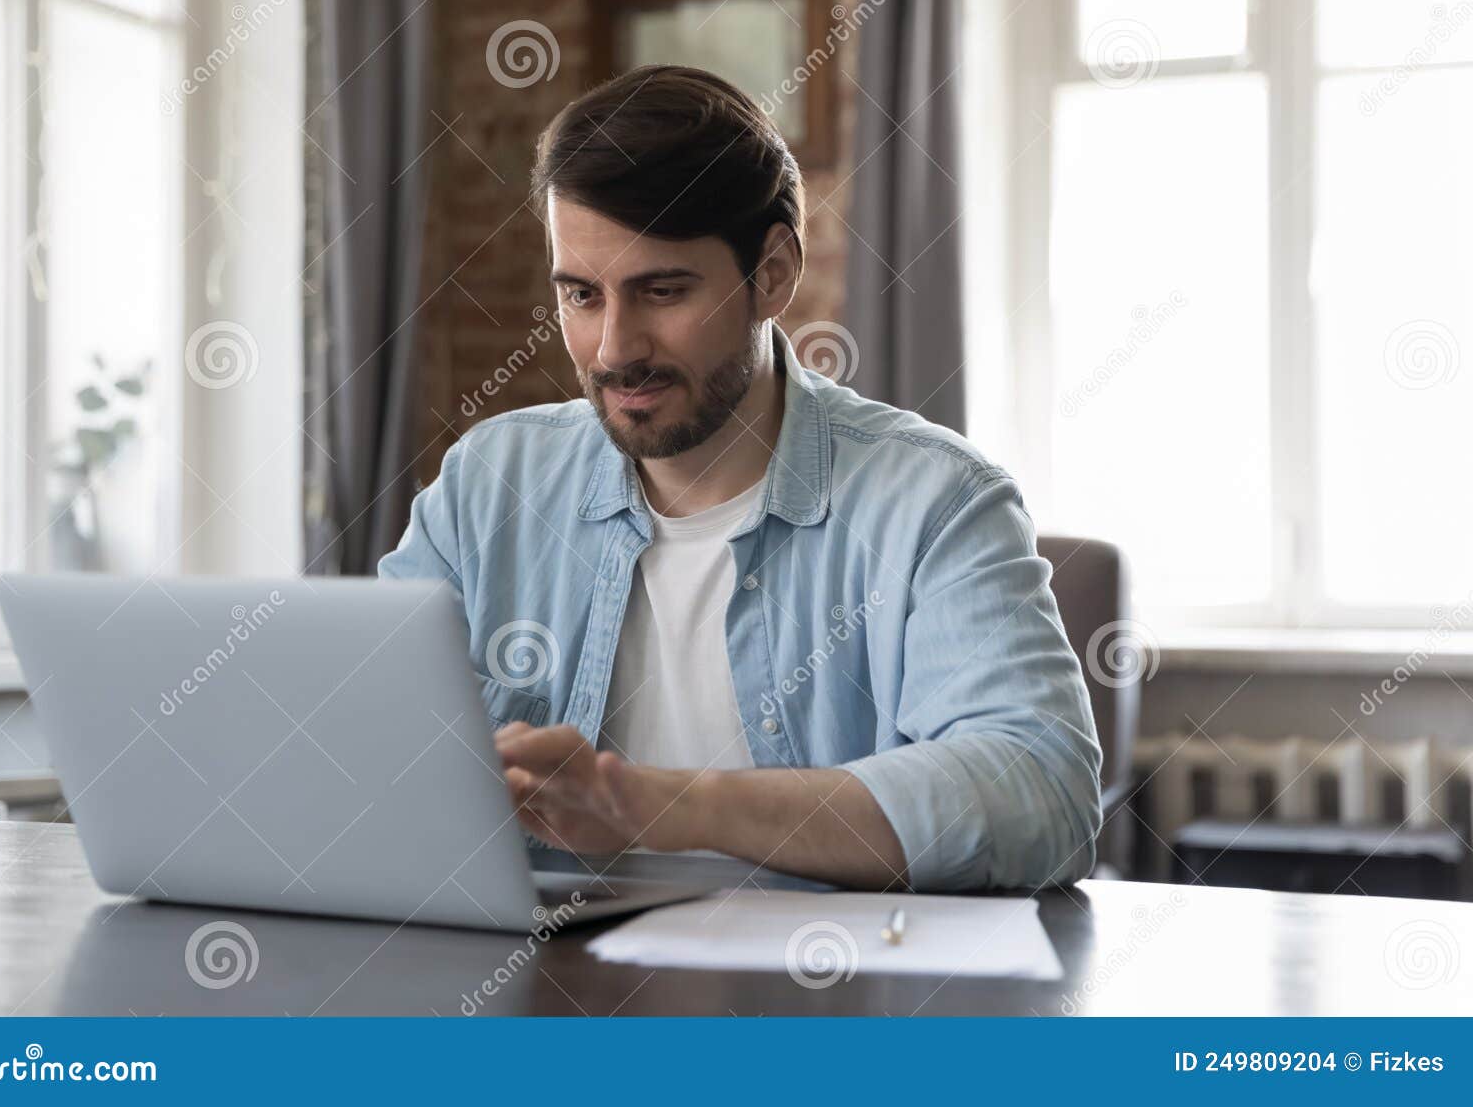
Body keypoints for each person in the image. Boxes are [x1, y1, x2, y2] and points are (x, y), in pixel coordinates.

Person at [380, 64, 1101, 892]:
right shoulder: (488, 485)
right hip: (550, 994)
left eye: (662, 289)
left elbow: (1043, 793)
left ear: (775, 274)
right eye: (581, 295)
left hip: (823, 999)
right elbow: (366, 744)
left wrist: (661, 806)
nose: (614, 349)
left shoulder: (936, 501)